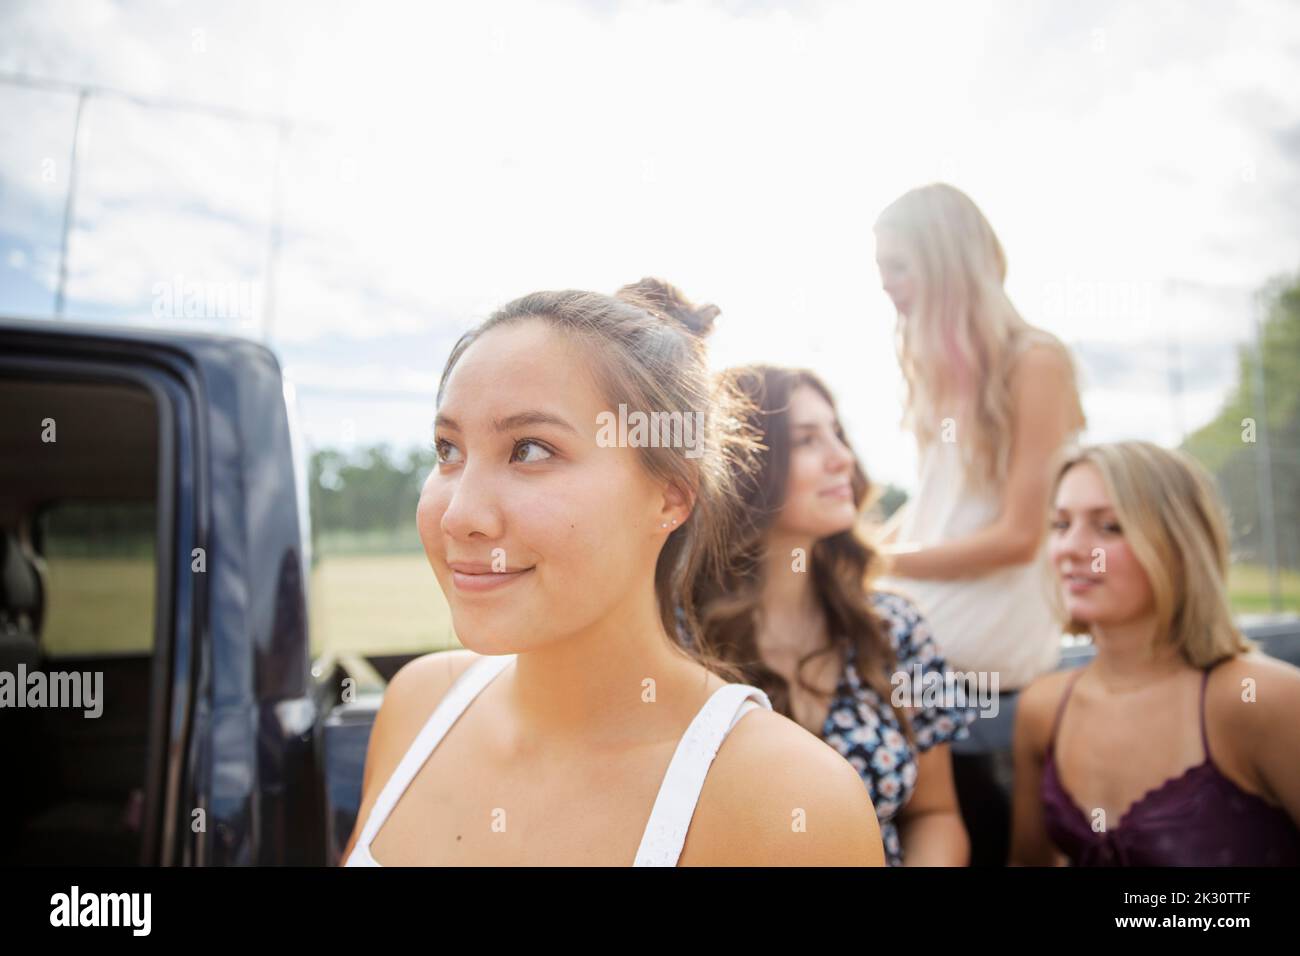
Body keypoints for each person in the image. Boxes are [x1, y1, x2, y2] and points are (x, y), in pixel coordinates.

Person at [340, 281, 885, 866]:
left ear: (670, 498)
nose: (459, 514)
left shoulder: (787, 802)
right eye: (448, 449)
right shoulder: (419, 704)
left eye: (529, 449)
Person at [692, 364, 975, 866]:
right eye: (806, 440)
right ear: (742, 462)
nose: (842, 459)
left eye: (838, 435)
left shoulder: (894, 628)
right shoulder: (679, 637)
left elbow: (934, 814)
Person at [1010, 441, 1300, 866]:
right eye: (1060, 524)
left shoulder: (1262, 700)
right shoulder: (1043, 708)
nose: (1070, 548)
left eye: (1109, 526)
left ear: (1180, 545)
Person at [871, 182, 1088, 691]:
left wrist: (877, 560)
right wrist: (851, 549)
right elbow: (934, 507)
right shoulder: (932, 373)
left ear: (947, 267)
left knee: (840, 639)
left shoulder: (1034, 361)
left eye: (898, 266)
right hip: (936, 585)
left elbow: (1019, 537)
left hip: (994, 607)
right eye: (879, 268)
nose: (884, 284)